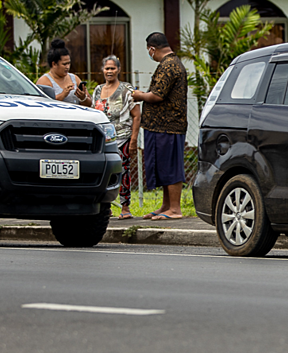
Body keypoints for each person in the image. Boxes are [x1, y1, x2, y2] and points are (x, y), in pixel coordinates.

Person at [132, 32, 188, 221]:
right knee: (163, 166)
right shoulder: (170, 64)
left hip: (168, 126)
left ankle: (175, 208)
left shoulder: (169, 66)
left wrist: (139, 95)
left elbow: (157, 95)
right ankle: (166, 206)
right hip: (160, 127)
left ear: (152, 49)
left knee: (170, 166)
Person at [92, 55, 141, 220]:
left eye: (112, 68)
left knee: (123, 172)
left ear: (119, 70)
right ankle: (106, 207)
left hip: (122, 138)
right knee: (103, 173)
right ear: (102, 70)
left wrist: (133, 140)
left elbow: (136, 115)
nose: (109, 71)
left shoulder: (126, 90)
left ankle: (125, 208)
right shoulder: (98, 90)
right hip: (103, 140)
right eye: (107, 68)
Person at [36, 39, 91, 106]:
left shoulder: (74, 78)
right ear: (54, 64)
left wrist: (83, 98)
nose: (67, 67)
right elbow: (43, 105)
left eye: (69, 63)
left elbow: (89, 104)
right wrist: (63, 94)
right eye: (64, 64)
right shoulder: (44, 81)